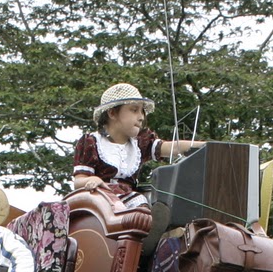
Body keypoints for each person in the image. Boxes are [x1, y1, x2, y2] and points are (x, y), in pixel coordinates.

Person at [71, 83, 203, 194]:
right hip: (99, 201)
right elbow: (78, 181)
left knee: (143, 211)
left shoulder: (140, 143)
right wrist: (91, 180)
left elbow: (173, 147)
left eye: (142, 112)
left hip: (130, 201)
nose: (141, 117)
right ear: (112, 113)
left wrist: (207, 146)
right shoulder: (91, 143)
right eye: (134, 110)